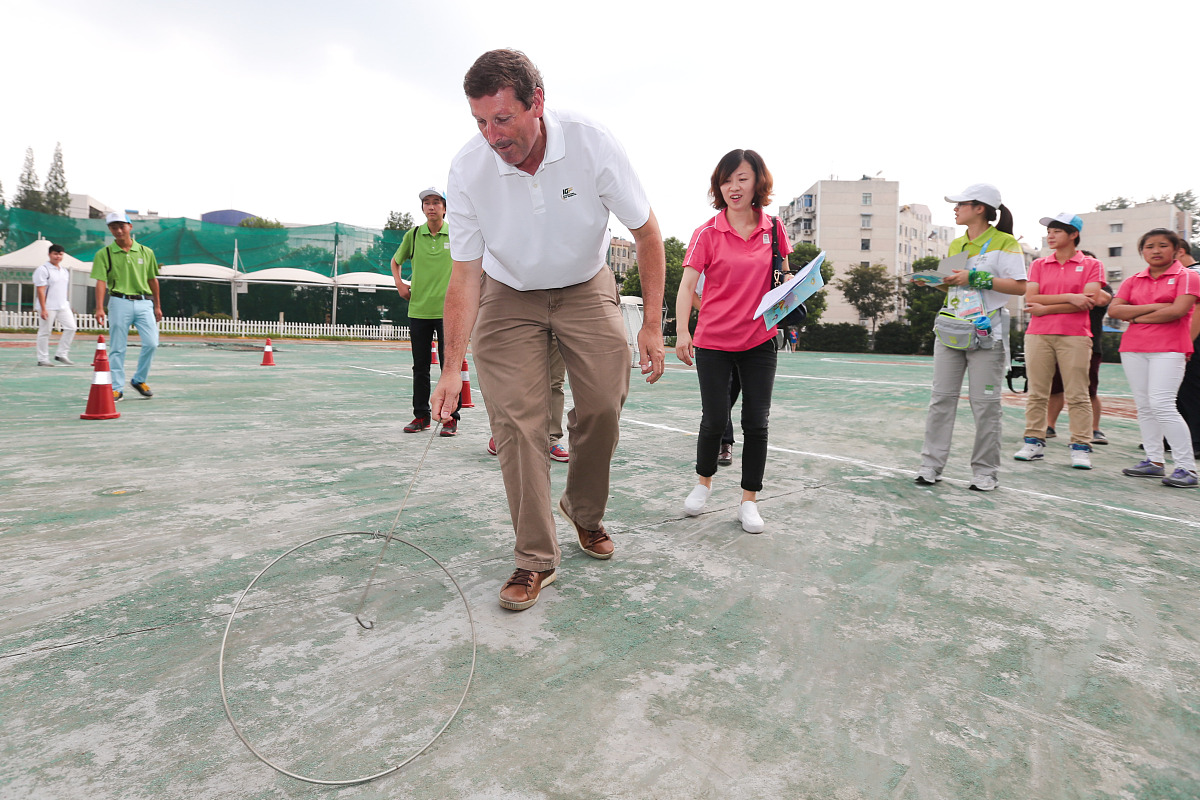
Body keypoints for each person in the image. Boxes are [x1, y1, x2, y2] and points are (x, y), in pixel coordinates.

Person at [431, 49, 666, 611]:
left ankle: (583, 511)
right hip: (507, 292)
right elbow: (464, 275)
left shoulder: (591, 143)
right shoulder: (467, 169)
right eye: (480, 122)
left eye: (502, 118)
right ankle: (535, 556)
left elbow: (647, 233)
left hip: (585, 284)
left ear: (537, 102)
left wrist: (653, 327)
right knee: (517, 423)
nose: (492, 135)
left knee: (603, 405)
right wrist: (450, 368)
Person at [675, 148, 789, 533]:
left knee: (756, 422)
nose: (733, 187)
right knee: (714, 419)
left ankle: (749, 501)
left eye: (742, 178)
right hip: (714, 341)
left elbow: (783, 275)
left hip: (760, 340)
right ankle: (703, 483)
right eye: (726, 180)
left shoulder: (775, 229)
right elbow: (687, 285)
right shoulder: (707, 232)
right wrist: (683, 331)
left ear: (758, 182)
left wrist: (793, 283)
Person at [914, 184, 1027, 491]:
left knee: (985, 405)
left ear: (980, 208)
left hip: (986, 333)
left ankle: (985, 472)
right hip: (951, 329)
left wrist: (976, 277)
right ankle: (930, 466)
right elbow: (952, 283)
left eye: (961, 204)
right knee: (941, 399)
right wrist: (932, 281)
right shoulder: (957, 243)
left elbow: (1019, 287)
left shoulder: (1004, 242)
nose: (955, 208)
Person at [1108, 228, 1199, 487]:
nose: (1156, 251)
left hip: (1170, 349)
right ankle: (1154, 461)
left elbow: (1178, 311)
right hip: (1133, 348)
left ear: (1177, 251)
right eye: (1149, 246)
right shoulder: (1133, 280)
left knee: (1162, 404)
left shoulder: (1188, 276)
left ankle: (1187, 468)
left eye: (1162, 245)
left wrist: (1135, 316)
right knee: (1145, 406)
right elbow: (1114, 310)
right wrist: (1158, 307)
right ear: (1142, 251)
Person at [1013, 214, 1103, 469]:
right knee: (1037, 392)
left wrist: (1047, 308)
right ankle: (1033, 442)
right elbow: (1031, 298)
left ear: (1074, 234)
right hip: (1038, 335)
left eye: (1057, 231)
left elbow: (1089, 300)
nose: (1050, 236)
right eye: (1049, 231)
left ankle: (1081, 446)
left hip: (1075, 336)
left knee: (1078, 394)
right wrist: (1071, 297)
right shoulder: (1039, 264)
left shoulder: (1092, 264)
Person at [390, 187, 461, 436]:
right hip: (419, 310)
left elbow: (475, 262)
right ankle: (421, 416)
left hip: (449, 312)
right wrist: (400, 284)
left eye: (436, 202)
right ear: (422, 208)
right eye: (427, 202)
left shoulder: (456, 233)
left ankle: (450, 418)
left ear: (445, 208)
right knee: (420, 367)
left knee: (449, 367)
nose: (431, 206)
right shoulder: (413, 235)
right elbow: (396, 261)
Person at [91, 211, 161, 402]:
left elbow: (152, 280)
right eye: (114, 227)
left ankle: (139, 380)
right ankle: (116, 388)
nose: (119, 230)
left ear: (130, 226)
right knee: (117, 347)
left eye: (122, 226)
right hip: (118, 301)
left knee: (152, 343)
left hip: (144, 302)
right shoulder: (104, 254)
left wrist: (157, 306)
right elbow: (100, 281)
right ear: (110, 229)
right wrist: (99, 307)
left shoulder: (146, 252)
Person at [1045, 254, 1111, 446]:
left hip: (1088, 344)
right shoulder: (1062, 285)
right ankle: (1049, 426)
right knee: (1055, 388)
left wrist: (1073, 293)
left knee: (1088, 391)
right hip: (1058, 340)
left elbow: (1100, 299)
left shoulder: (1103, 288)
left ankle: (1094, 429)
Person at [486, 334, 571, 461]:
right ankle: (503, 432)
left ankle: (551, 438)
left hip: (559, 327)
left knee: (554, 382)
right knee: (518, 380)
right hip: (523, 328)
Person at [1173, 239, 1200, 456]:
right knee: (1177, 390)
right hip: (1185, 339)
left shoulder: (1193, 273)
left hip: (1193, 339)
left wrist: (1187, 343)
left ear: (1180, 252)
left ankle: (1196, 441)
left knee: (1190, 391)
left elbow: (1198, 310)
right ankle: (1171, 438)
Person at [33, 244, 77, 367]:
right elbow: (40, 290)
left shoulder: (64, 270)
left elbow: (63, 288)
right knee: (45, 332)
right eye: (55, 254)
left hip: (63, 305)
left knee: (71, 327)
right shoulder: (43, 270)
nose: (58, 257)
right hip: (48, 306)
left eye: (60, 254)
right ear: (49, 254)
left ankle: (61, 354)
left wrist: (66, 302)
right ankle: (42, 359)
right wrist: (43, 308)